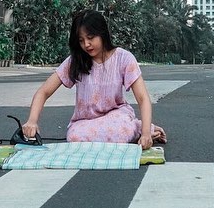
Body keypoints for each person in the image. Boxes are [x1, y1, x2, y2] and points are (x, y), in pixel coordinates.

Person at [22, 10, 167, 149]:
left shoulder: (123, 58)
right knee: (74, 137)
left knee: (121, 132)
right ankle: (131, 131)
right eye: (81, 40)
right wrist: (32, 121)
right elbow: (43, 92)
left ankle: (138, 127)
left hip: (117, 117)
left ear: (102, 33)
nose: (86, 44)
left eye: (90, 38)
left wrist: (146, 133)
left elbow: (143, 98)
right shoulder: (75, 61)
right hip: (86, 122)